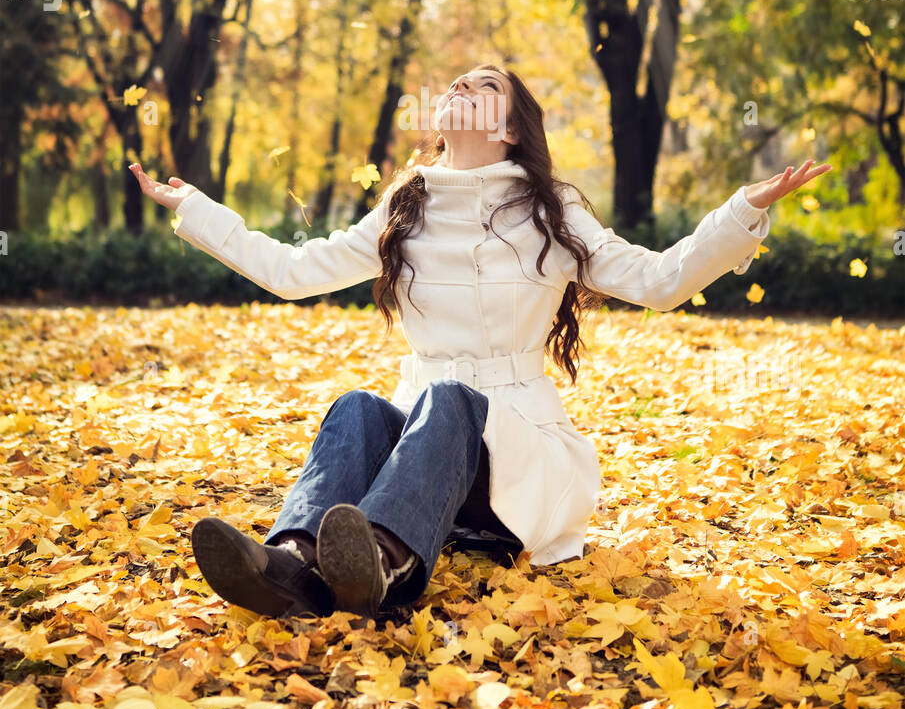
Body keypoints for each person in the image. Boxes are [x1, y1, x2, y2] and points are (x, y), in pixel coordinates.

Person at [130, 65, 830, 620]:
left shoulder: (552, 209)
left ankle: (383, 560)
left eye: (485, 84)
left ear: (510, 131)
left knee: (450, 399)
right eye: (457, 81)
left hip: (516, 463)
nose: (460, 85)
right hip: (422, 460)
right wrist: (195, 209)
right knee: (356, 407)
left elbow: (657, 280)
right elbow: (290, 272)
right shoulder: (405, 206)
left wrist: (743, 212)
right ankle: (289, 563)